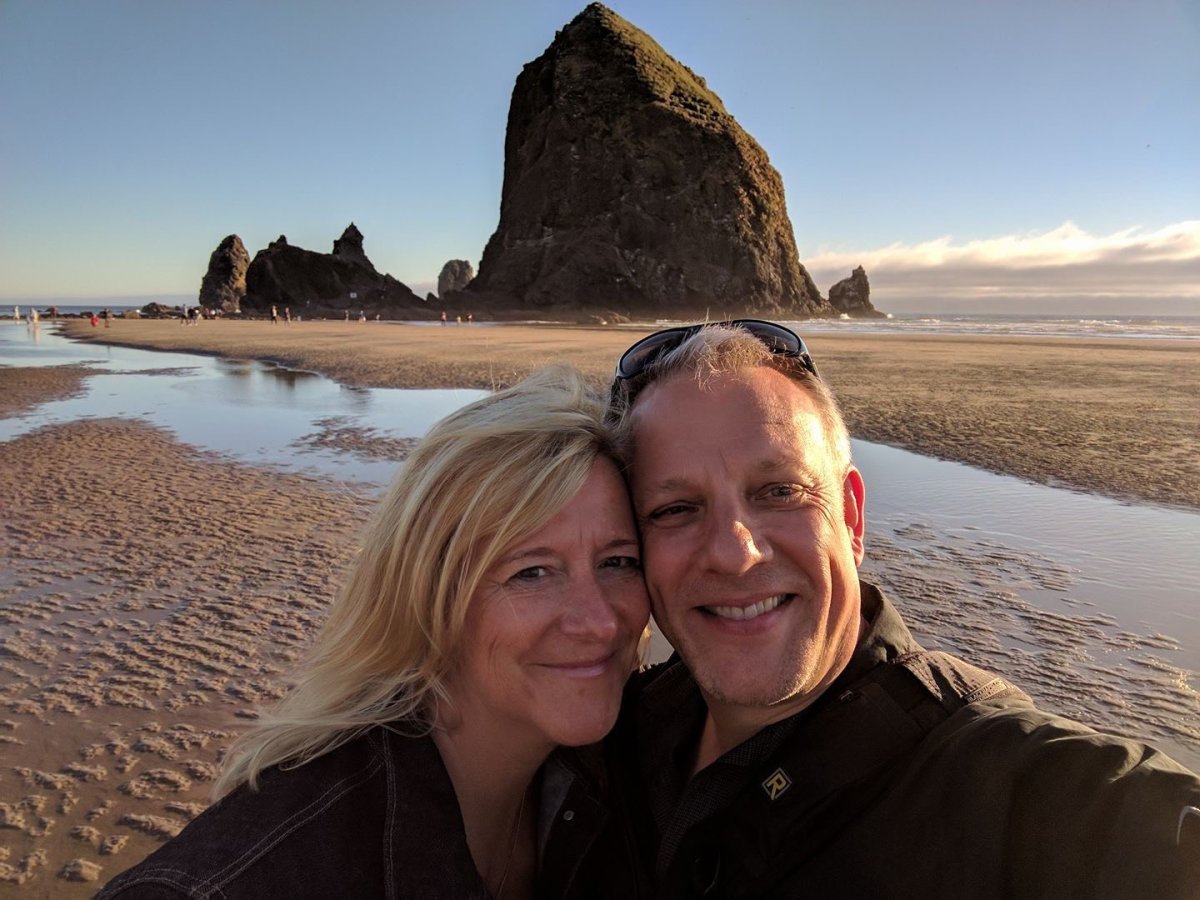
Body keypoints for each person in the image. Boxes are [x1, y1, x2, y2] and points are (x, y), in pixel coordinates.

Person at [601, 320, 1200, 899]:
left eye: (781, 492)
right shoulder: (614, 726)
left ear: (853, 518)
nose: (735, 554)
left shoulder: (1007, 784)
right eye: (676, 508)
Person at [98, 365, 650, 899]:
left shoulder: (623, 782)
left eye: (619, 562)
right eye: (531, 572)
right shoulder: (237, 881)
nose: (599, 620)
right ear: (427, 594)